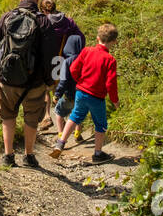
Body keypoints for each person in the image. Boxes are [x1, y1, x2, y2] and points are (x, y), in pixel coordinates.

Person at [0, 0, 62, 168]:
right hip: (34, 82)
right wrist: (49, 80)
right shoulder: (44, 22)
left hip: (7, 78)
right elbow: (50, 55)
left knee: (8, 116)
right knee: (31, 118)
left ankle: (8, 155)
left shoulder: (6, 17)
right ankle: (28, 155)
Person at [48, 23, 118, 163]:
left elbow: (73, 68)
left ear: (97, 38)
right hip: (96, 97)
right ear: (113, 42)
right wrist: (115, 100)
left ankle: (60, 143)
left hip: (80, 92)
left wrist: (80, 81)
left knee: (75, 116)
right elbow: (111, 83)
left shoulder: (86, 51)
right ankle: (98, 153)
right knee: (101, 124)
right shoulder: (110, 60)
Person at [39, 0, 83, 132]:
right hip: (68, 60)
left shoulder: (44, 22)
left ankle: (48, 117)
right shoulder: (68, 21)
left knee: (47, 89)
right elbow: (80, 36)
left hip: (52, 61)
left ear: (44, 10)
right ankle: (71, 121)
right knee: (66, 89)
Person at [50, 32, 84, 140]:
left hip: (69, 94)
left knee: (58, 113)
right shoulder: (85, 59)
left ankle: (61, 135)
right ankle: (77, 133)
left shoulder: (68, 61)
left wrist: (57, 95)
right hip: (82, 94)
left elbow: (63, 81)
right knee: (77, 114)